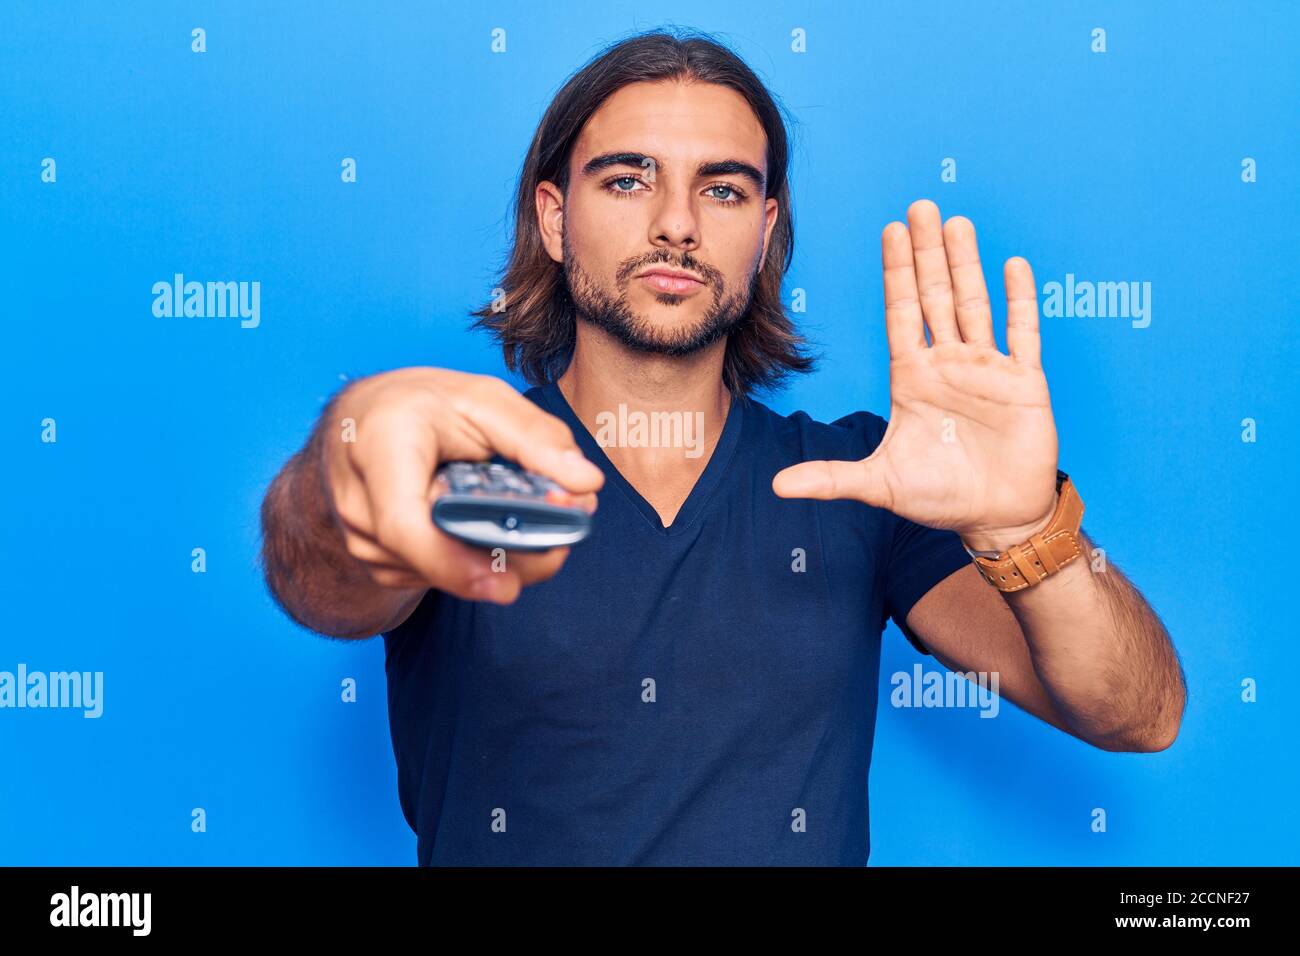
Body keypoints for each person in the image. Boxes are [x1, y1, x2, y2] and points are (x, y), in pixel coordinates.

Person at [259, 29, 1185, 866]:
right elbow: (321, 579)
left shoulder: (871, 478)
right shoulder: (467, 469)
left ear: (765, 230)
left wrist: (1029, 528)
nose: (677, 223)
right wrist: (338, 473)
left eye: (723, 188)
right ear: (553, 217)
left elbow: (1139, 715)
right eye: (627, 179)